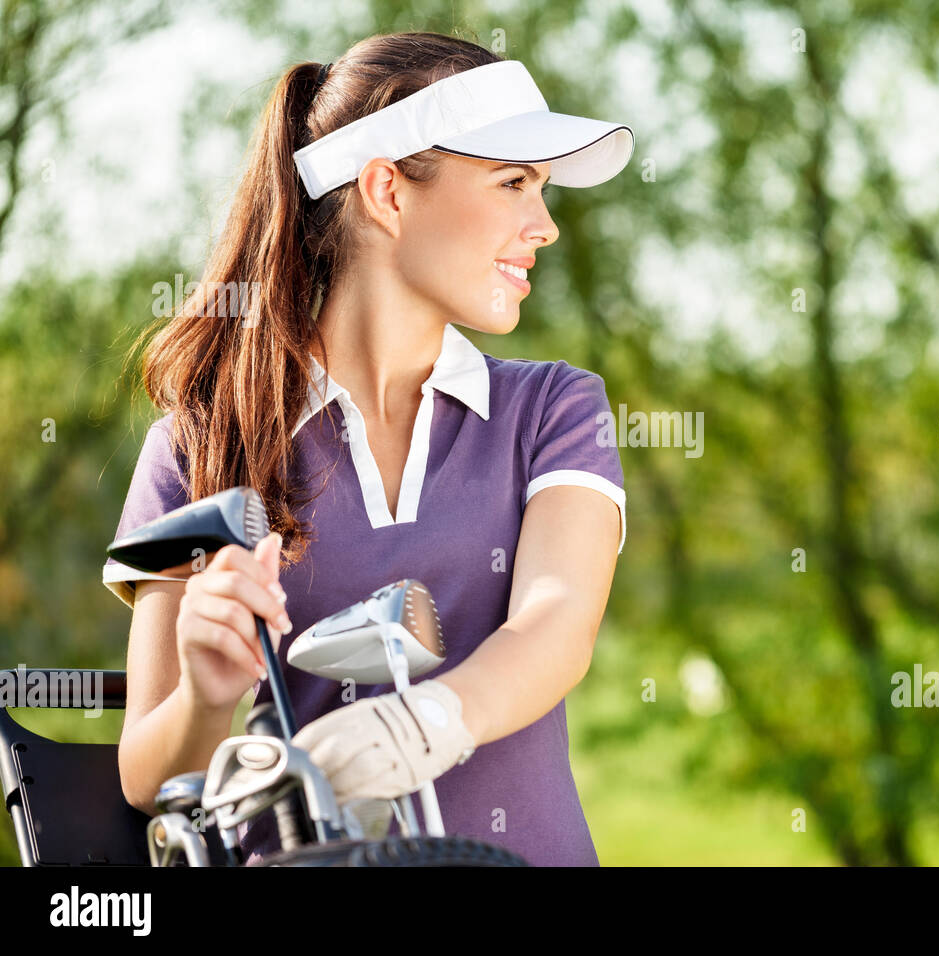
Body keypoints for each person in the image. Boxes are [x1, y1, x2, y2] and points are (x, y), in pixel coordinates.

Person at [105, 31, 634, 866]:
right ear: (388, 190)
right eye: (512, 183)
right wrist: (208, 700)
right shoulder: (200, 445)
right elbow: (149, 776)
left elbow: (555, 624)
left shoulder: (554, 408)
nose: (544, 225)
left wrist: (423, 721)